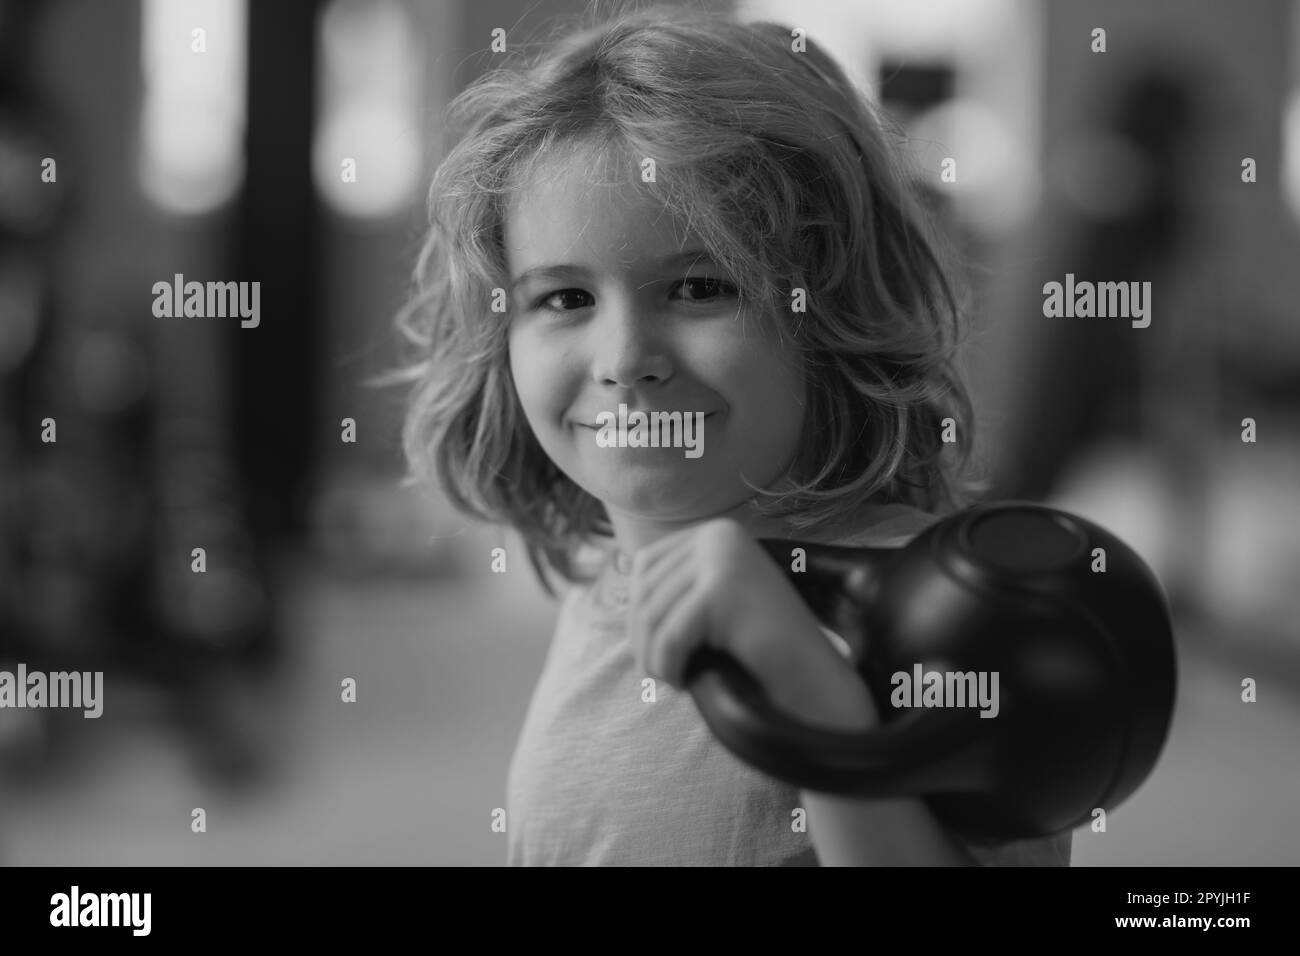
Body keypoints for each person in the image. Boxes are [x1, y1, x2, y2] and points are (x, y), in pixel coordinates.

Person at [388, 3, 1071, 866]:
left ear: (831, 309)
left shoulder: (944, 614)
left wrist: (809, 689)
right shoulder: (609, 584)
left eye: (700, 287)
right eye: (566, 298)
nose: (624, 360)